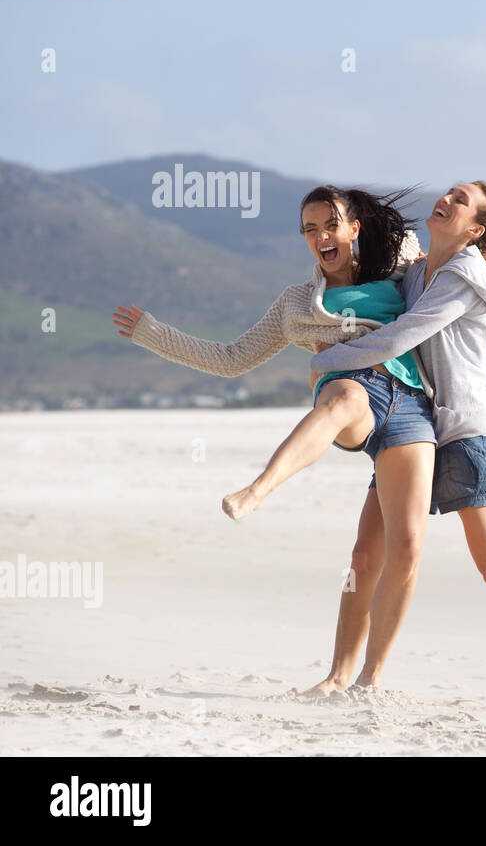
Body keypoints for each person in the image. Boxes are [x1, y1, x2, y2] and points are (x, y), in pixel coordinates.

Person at [112, 185, 437, 690]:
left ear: (354, 227)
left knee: (388, 552)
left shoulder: (400, 265)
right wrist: (152, 333)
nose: (320, 237)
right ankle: (258, 491)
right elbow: (230, 358)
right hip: (353, 395)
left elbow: (456, 257)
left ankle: (362, 680)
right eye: (309, 230)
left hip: (411, 405)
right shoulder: (295, 304)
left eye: (330, 224)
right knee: (345, 398)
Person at [308, 181, 486, 708]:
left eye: (460, 200)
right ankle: (347, 677)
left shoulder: (466, 276)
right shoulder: (416, 273)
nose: (446, 201)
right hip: (417, 430)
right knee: (366, 556)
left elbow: (404, 334)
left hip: (468, 435)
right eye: (447, 192)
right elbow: (363, 270)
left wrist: (325, 363)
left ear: (475, 229)